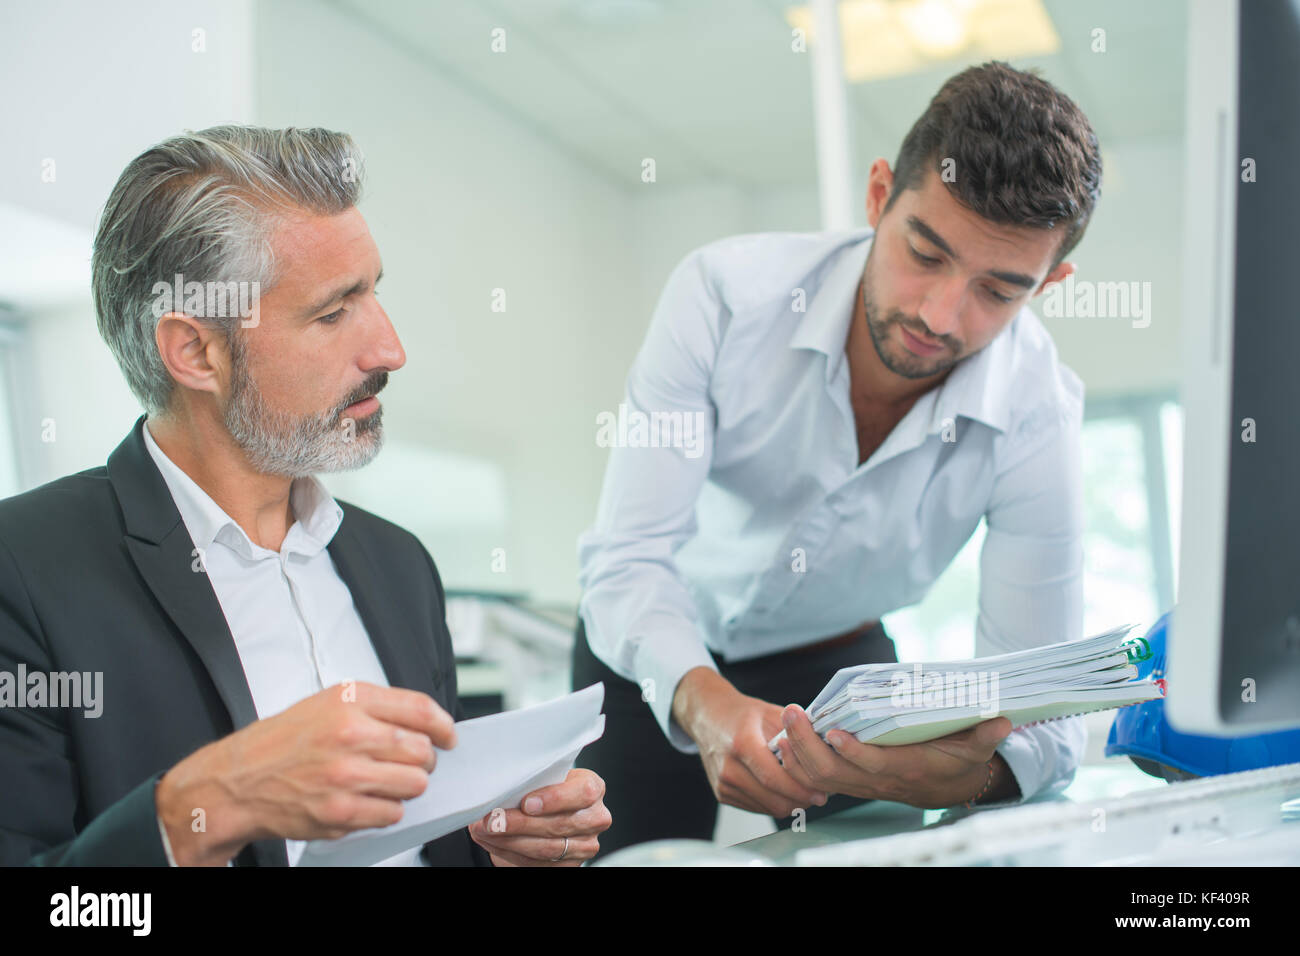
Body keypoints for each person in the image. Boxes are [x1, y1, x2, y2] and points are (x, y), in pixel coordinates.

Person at [0, 126, 610, 867]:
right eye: (332, 312)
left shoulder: (398, 565)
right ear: (196, 351)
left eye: (374, 292)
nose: (390, 350)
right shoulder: (23, 573)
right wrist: (213, 804)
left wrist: (498, 850)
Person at [573, 61, 1103, 854]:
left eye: (998, 291)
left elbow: (1045, 720)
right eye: (925, 252)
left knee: (874, 856)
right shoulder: (723, 296)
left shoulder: (1039, 412)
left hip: (837, 662)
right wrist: (707, 702)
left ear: (1049, 282)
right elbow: (626, 561)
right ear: (878, 194)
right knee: (625, 859)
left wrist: (960, 779)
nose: (939, 314)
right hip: (649, 634)